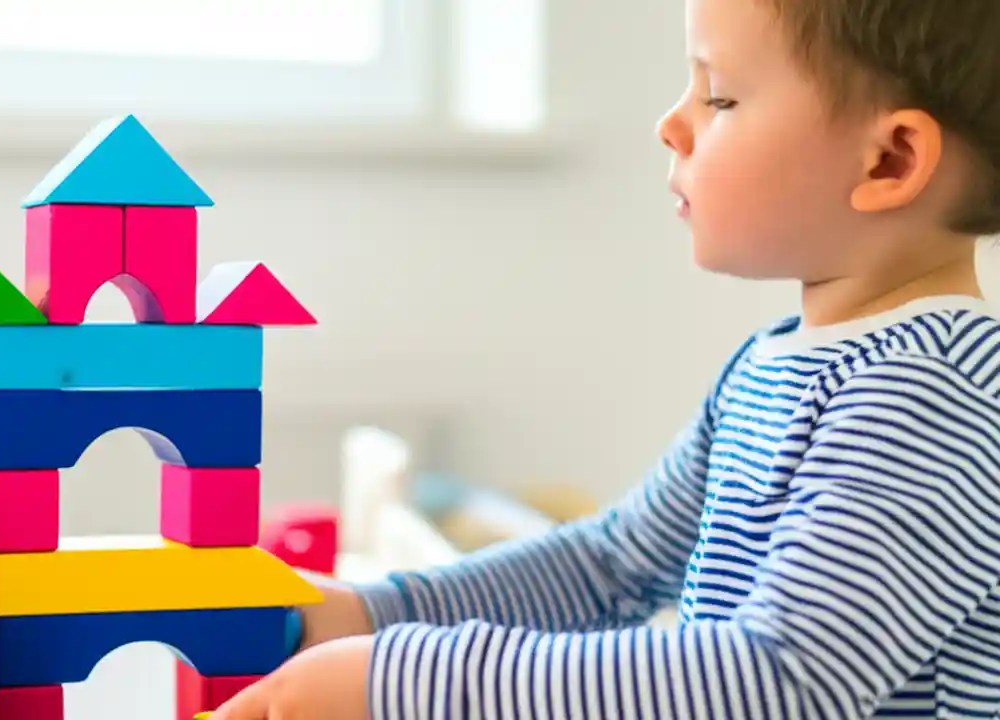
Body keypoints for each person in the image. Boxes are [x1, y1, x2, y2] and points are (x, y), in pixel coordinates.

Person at [211, 0, 1000, 716]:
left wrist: (400, 678)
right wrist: (374, 613)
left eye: (718, 96)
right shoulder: (775, 365)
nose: (671, 124)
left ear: (889, 162)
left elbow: (779, 678)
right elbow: (610, 565)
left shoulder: (931, 394)